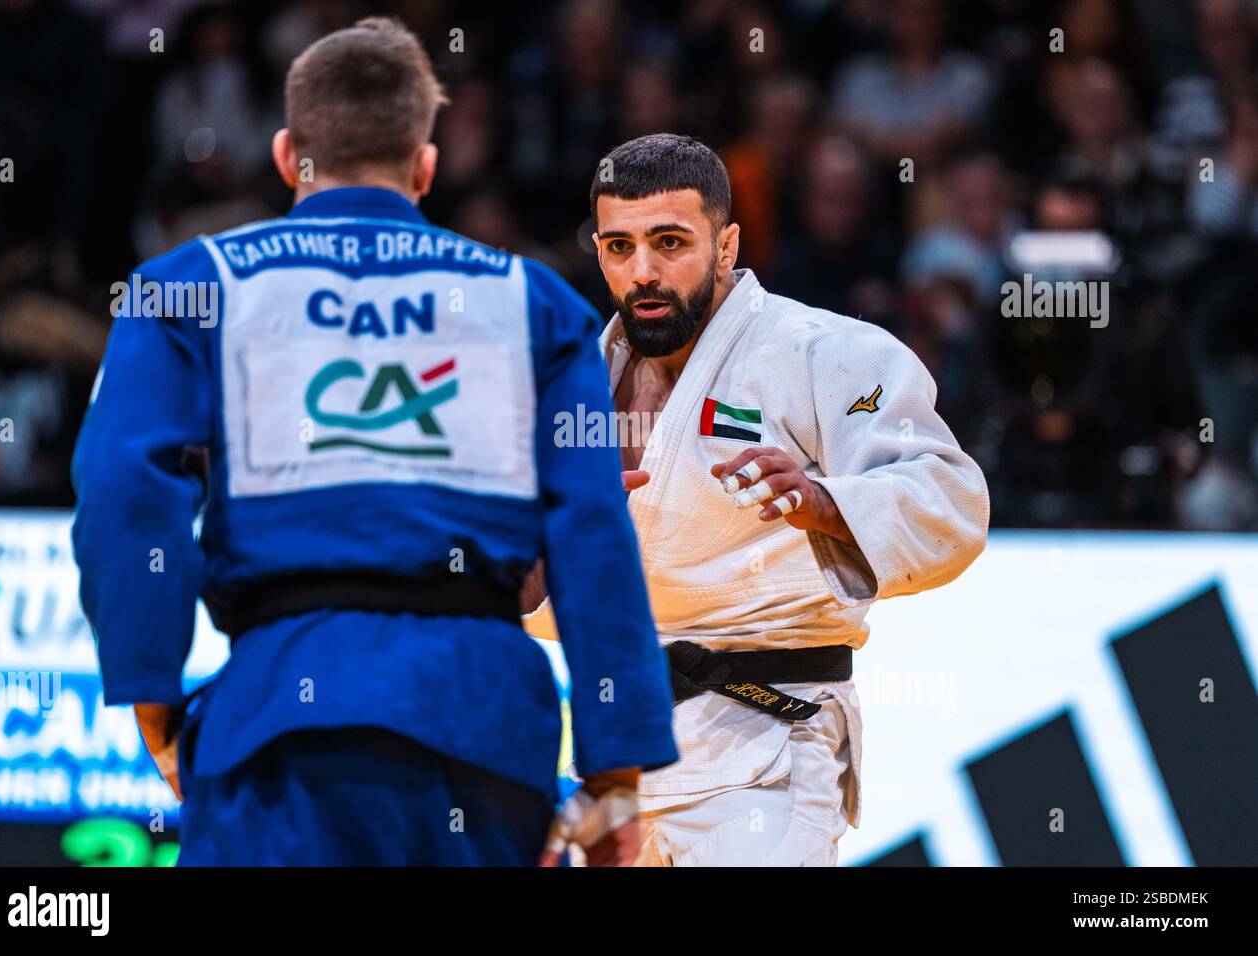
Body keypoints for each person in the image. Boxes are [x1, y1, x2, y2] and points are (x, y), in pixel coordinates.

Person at [71, 18, 677, 867]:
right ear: (425, 169)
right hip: (483, 730)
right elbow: (593, 531)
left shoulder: (189, 286)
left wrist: (152, 697)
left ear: (288, 157)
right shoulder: (534, 303)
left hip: (277, 722)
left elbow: (124, 489)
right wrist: (617, 765)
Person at [526, 133, 990, 866]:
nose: (642, 272)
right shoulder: (568, 381)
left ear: (726, 244)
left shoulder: (825, 352)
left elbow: (949, 498)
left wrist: (822, 502)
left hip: (766, 742)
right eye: (618, 247)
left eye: (669, 242)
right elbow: (517, 587)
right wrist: (545, 541)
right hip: (617, 745)